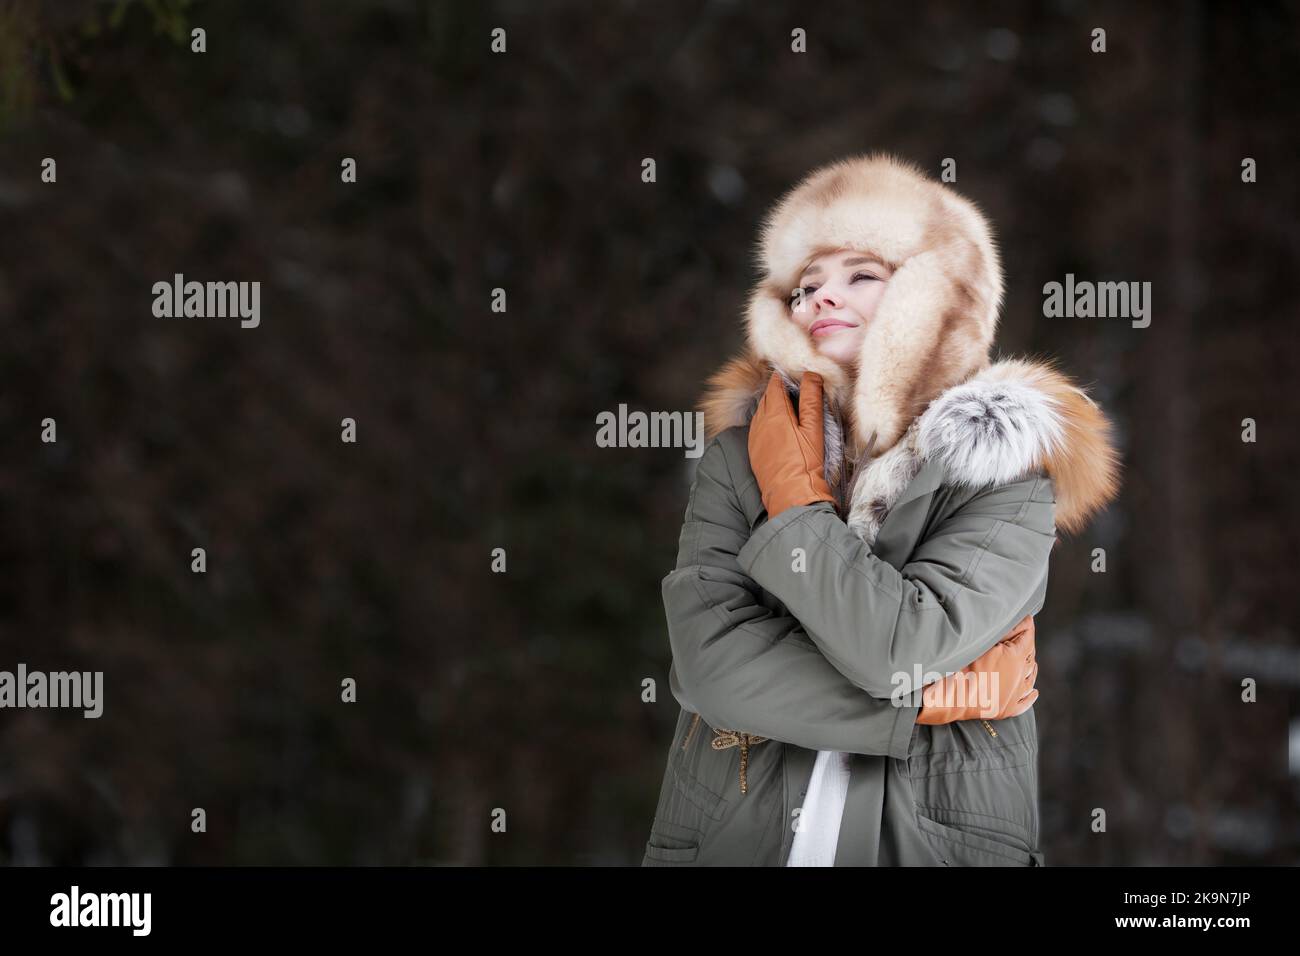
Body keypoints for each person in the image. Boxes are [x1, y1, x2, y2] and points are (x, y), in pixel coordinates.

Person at [641, 152, 1122, 866]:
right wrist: (921, 704)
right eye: (805, 286)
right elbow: (711, 672)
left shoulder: (1007, 468)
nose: (820, 299)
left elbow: (895, 649)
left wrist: (798, 504)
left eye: (861, 275)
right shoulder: (738, 461)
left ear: (941, 292)